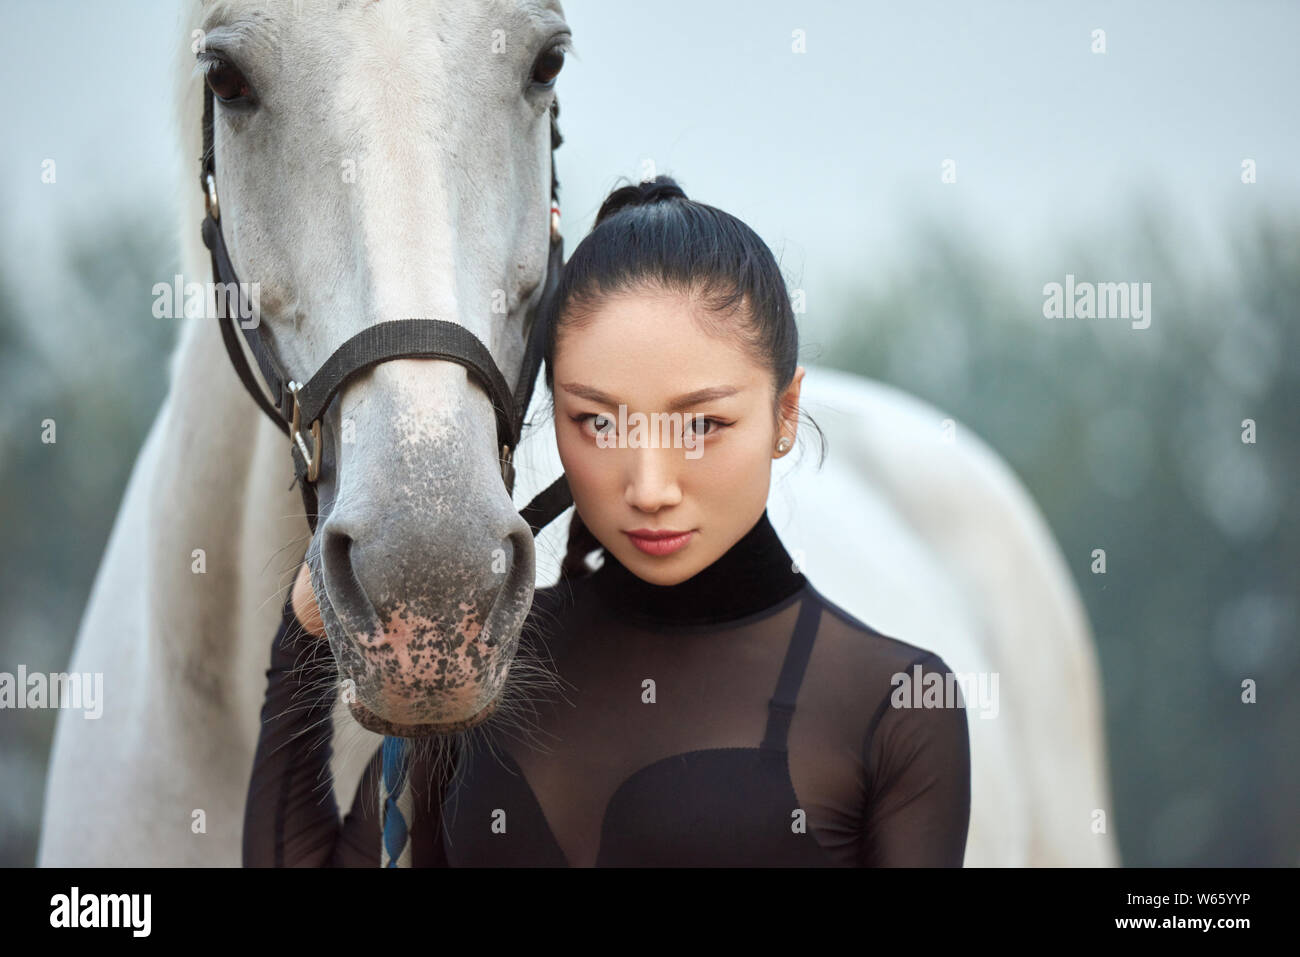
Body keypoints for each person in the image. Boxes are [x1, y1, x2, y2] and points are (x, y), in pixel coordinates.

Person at [243, 176, 972, 867]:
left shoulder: (896, 705)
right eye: (597, 421)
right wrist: (305, 632)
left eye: (702, 425)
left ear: (785, 413)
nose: (649, 488)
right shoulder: (481, 660)